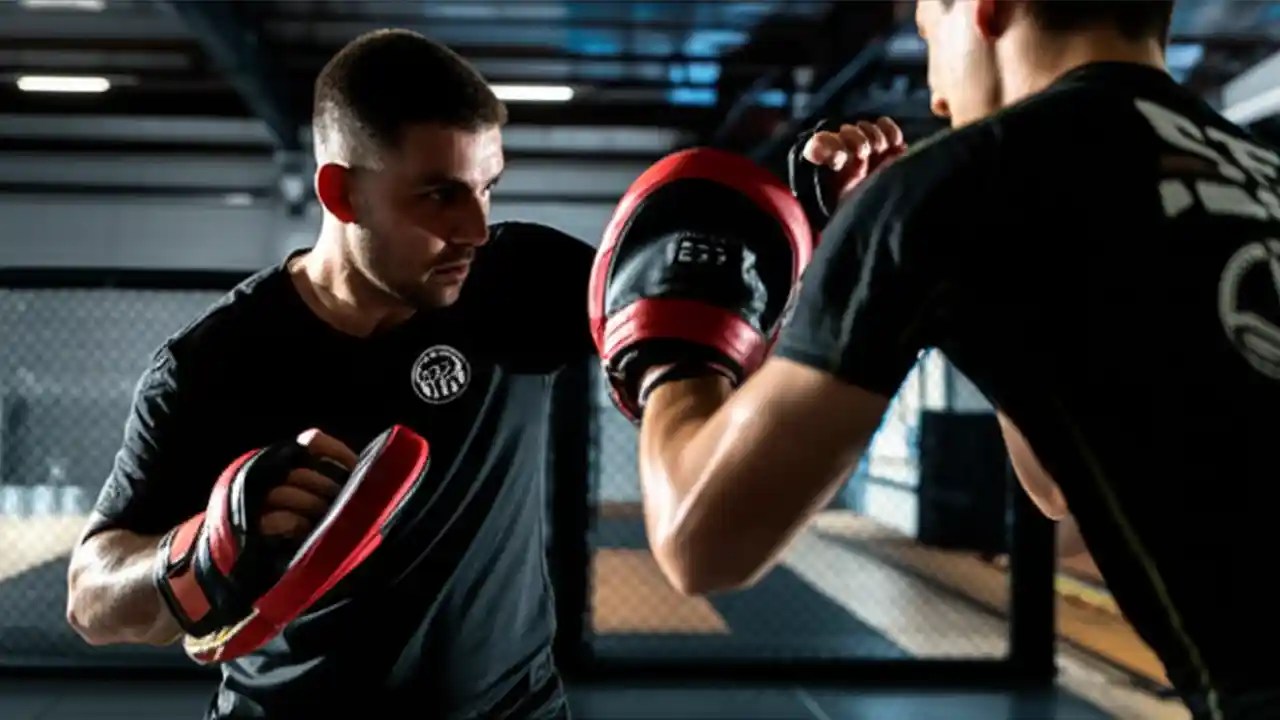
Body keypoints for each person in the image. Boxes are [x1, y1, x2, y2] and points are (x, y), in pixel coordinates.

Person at [596, 2, 1280, 720]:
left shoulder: (968, 178)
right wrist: (931, 281)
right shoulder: (1257, 173)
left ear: (985, 8)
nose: (934, 91)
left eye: (928, 34)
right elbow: (1063, 492)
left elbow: (701, 540)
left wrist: (671, 337)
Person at [65, 28, 594, 720]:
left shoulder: (516, 283)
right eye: (439, 196)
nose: (474, 228)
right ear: (342, 194)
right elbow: (91, 601)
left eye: (486, 189)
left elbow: (687, 317)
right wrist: (202, 550)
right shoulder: (217, 361)